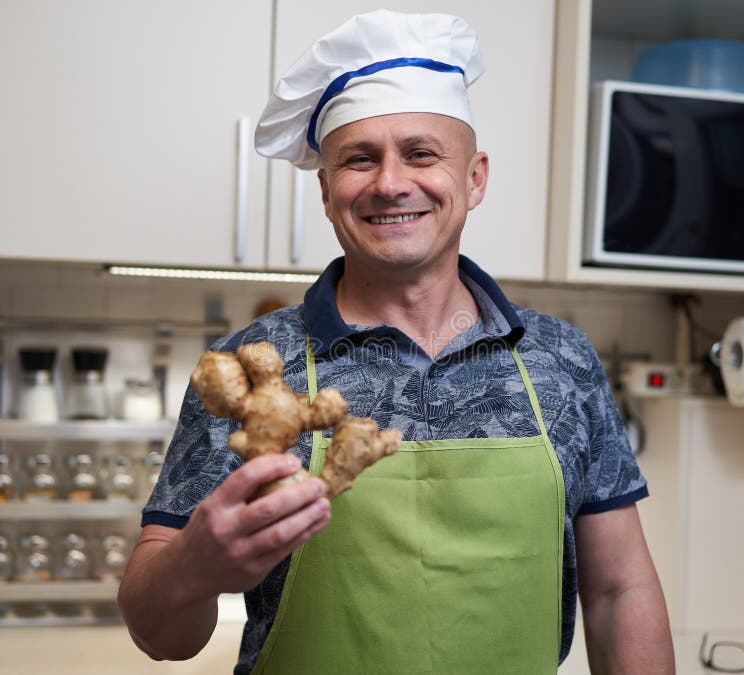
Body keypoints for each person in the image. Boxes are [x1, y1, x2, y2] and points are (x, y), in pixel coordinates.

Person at [118, 9, 675, 674]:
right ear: (326, 191)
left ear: (474, 178)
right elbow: (160, 634)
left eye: (420, 152)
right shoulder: (251, 374)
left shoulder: (561, 359)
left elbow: (619, 592)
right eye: (359, 159)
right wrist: (193, 566)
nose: (389, 182)